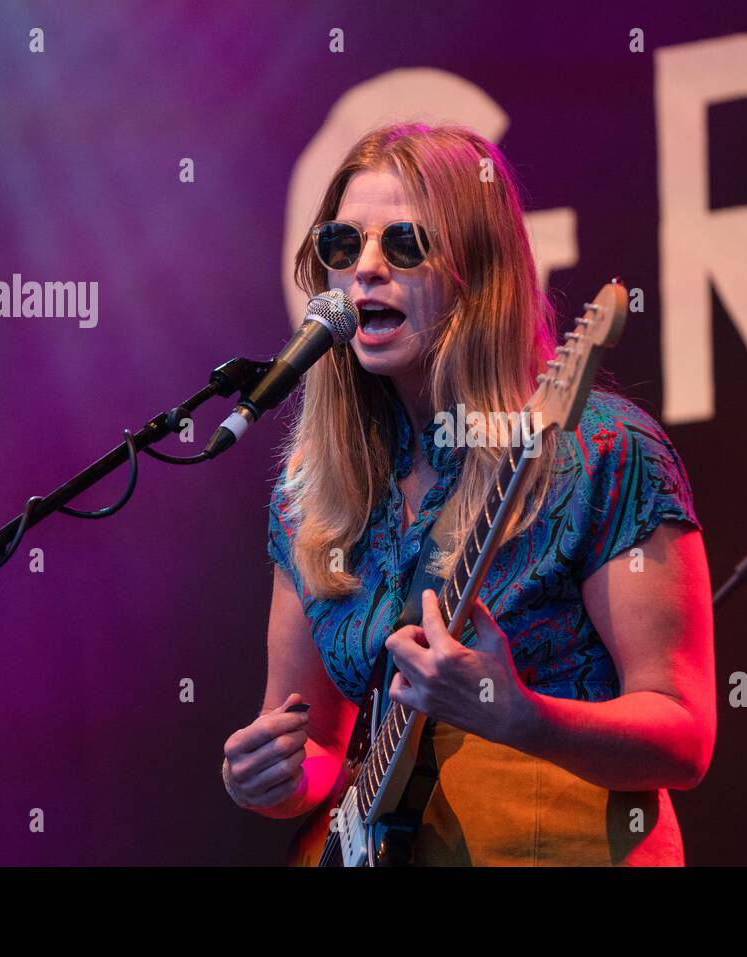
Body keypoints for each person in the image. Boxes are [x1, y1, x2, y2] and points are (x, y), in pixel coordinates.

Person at [221, 122, 715, 865]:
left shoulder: (604, 451)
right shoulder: (312, 498)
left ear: (477, 274)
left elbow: (683, 733)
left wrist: (521, 715)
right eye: (343, 246)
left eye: (407, 244)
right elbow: (317, 743)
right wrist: (267, 777)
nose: (367, 271)